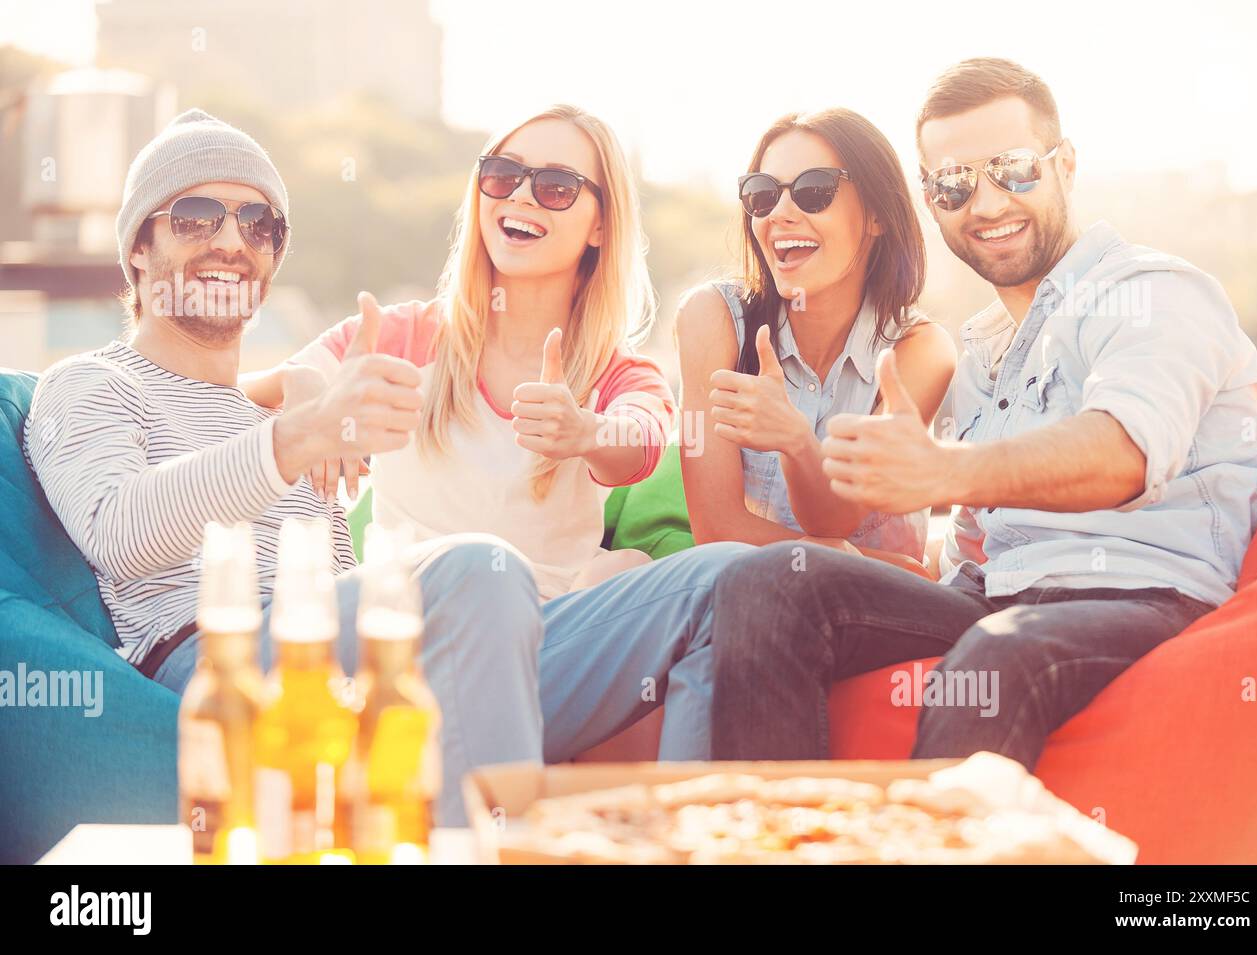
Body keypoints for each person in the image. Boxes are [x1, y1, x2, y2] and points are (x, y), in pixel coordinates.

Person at [24, 109, 749, 828]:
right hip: (232, 665)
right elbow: (118, 529)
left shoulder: (275, 418)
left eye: (258, 225)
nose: (230, 241)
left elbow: (640, 436)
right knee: (477, 570)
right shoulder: (92, 383)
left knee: (723, 584)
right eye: (195, 217)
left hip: (376, 668)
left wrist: (302, 424)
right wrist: (298, 433)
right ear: (138, 249)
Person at [708, 58, 1257, 767]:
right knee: (767, 582)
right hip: (994, 597)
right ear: (928, 196)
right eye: (952, 183)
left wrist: (943, 471)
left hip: (1141, 597)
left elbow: (1121, 452)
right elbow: (972, 548)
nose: (985, 203)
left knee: (992, 660)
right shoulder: (980, 351)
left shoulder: (1152, 293)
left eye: (1013, 169)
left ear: (1064, 164)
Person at [243, 104, 671, 598]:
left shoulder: (624, 375)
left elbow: (640, 443)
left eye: (557, 186)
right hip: (406, 628)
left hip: (548, 642)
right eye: (503, 174)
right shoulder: (402, 335)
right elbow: (239, 395)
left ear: (601, 225)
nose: (523, 194)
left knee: (629, 567)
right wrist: (309, 389)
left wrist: (585, 431)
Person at [676, 109, 956, 574]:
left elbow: (837, 515)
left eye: (813, 191)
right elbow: (718, 532)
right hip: (757, 601)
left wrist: (796, 442)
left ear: (876, 215)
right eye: (763, 195)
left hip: (876, 623)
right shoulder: (713, 318)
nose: (781, 213)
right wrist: (888, 565)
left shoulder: (920, 349)